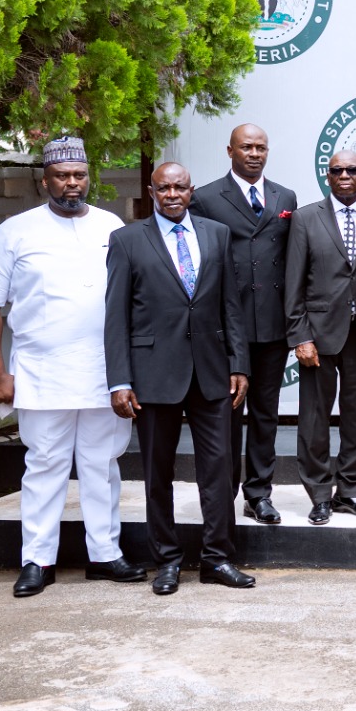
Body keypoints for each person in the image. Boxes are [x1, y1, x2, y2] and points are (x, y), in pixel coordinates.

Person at [0, 136, 146, 597]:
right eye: (63, 176)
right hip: (41, 372)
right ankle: (37, 559)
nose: (72, 184)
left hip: (103, 373)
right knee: (45, 464)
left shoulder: (111, 226)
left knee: (101, 464)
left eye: (79, 175)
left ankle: (106, 554)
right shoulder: (17, 230)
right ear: (45, 180)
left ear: (89, 178)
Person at [105, 162, 252, 594]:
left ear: (192, 191)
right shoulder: (127, 240)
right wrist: (120, 380)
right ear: (152, 192)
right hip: (153, 376)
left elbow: (231, 306)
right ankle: (166, 561)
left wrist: (238, 362)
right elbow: (115, 317)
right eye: (163, 188)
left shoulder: (216, 234)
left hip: (211, 374)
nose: (172, 194)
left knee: (220, 470)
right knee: (157, 473)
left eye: (180, 187)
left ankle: (218, 559)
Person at [189, 123, 299, 526]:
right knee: (226, 416)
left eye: (261, 148)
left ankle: (259, 494)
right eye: (246, 147)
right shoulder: (204, 198)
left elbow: (290, 260)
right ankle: (224, 497)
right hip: (225, 328)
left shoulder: (284, 196)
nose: (254, 153)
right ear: (230, 150)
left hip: (271, 326)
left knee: (266, 414)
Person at [284, 150, 356, 525]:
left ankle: (350, 492)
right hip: (318, 336)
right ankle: (320, 495)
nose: (344, 175)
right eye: (337, 170)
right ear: (327, 176)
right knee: (314, 419)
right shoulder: (306, 218)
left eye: (352, 170)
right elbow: (293, 282)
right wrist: (299, 335)